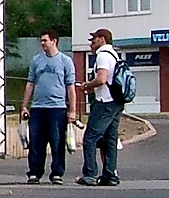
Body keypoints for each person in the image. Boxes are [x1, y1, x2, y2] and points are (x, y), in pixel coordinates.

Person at [23, 30, 76, 183]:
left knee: (57, 141)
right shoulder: (36, 61)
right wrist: (25, 106)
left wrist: (72, 110)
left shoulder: (65, 61)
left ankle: (57, 173)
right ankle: (34, 172)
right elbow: (30, 83)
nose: (42, 43)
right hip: (38, 107)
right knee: (36, 141)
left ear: (54, 41)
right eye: (41, 41)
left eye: (45, 40)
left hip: (57, 108)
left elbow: (70, 87)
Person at [77, 27, 123, 187]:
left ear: (102, 39)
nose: (91, 42)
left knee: (90, 137)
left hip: (105, 102)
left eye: (94, 39)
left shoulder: (103, 55)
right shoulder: (114, 55)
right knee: (110, 139)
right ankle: (110, 175)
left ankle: (90, 174)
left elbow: (102, 79)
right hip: (117, 103)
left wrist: (87, 85)